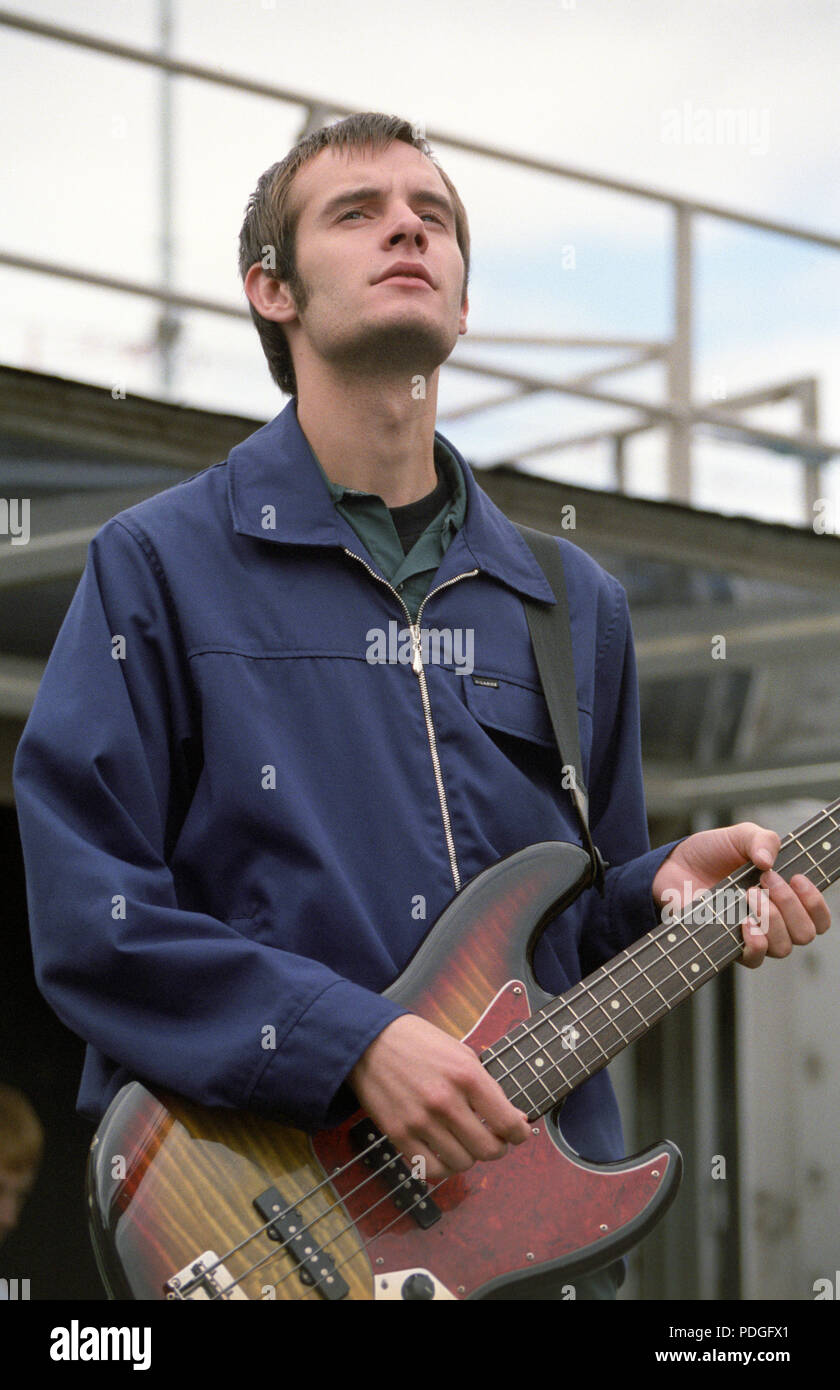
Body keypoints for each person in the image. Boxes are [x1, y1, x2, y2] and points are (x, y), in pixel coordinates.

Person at [12, 113, 830, 1300]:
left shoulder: (568, 601)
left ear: (461, 301)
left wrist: (664, 900)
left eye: (433, 216)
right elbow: (94, 914)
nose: (409, 227)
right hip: (264, 1227)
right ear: (270, 290)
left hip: (527, 1258)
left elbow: (562, 939)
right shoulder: (159, 566)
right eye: (358, 212)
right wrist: (353, 1046)